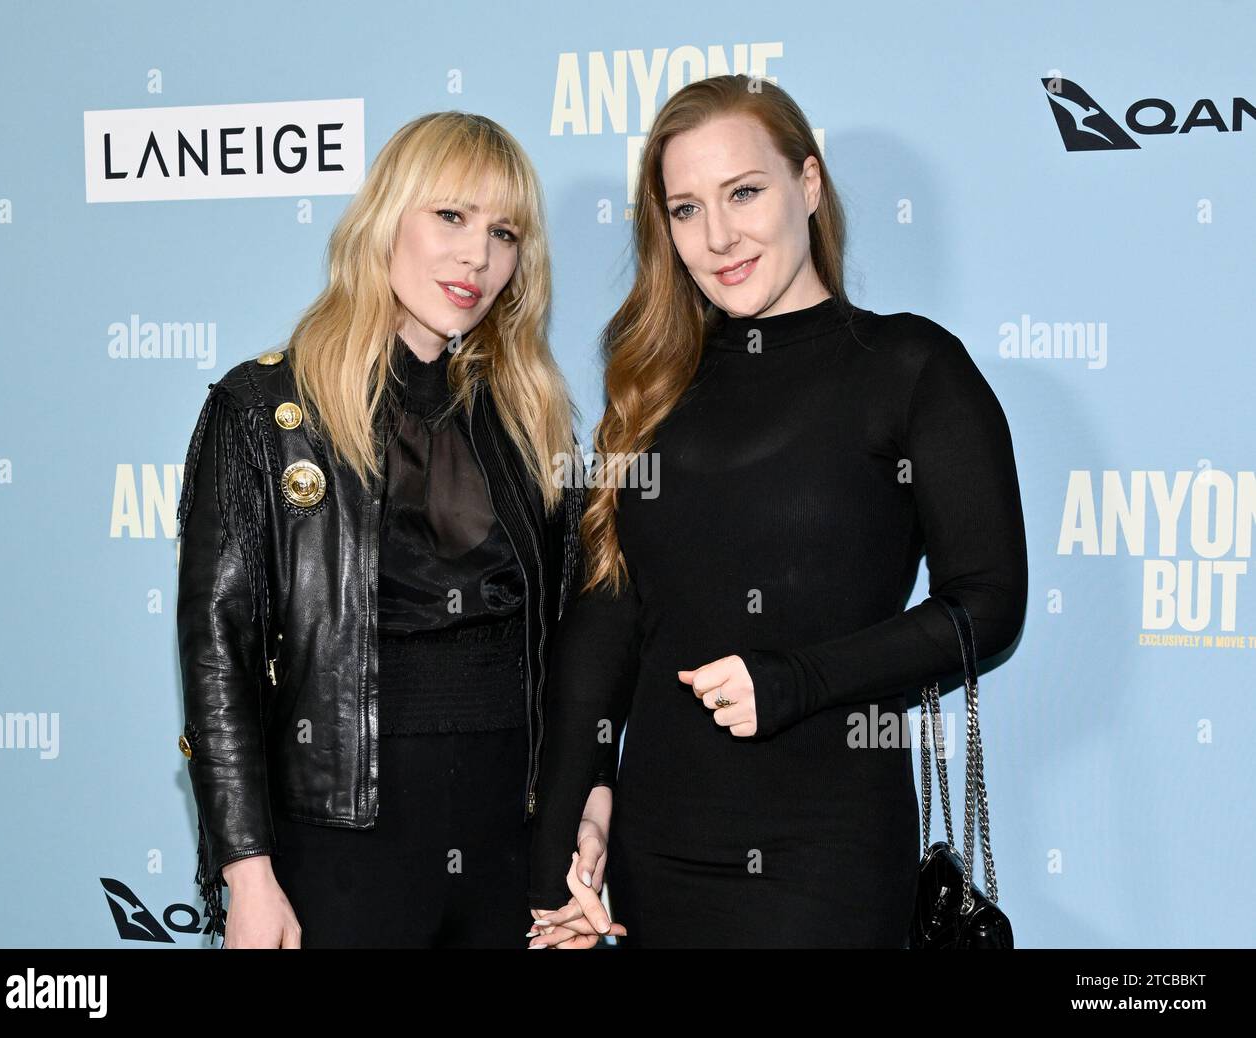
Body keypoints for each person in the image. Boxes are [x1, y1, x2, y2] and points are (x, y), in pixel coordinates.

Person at [525, 74, 1028, 948]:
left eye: (744, 193)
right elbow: (607, 623)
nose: (717, 236)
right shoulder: (648, 386)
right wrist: (577, 810)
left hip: (826, 850)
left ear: (808, 184)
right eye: (685, 209)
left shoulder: (910, 367)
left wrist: (797, 679)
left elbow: (987, 605)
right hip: (653, 848)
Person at [175, 111, 583, 948]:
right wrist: (247, 874)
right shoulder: (264, 413)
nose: (477, 255)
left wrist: (576, 823)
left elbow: (574, 641)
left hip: (512, 838)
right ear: (385, 217)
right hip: (341, 840)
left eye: (504, 232)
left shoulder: (532, 420)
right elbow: (218, 655)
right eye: (451, 216)